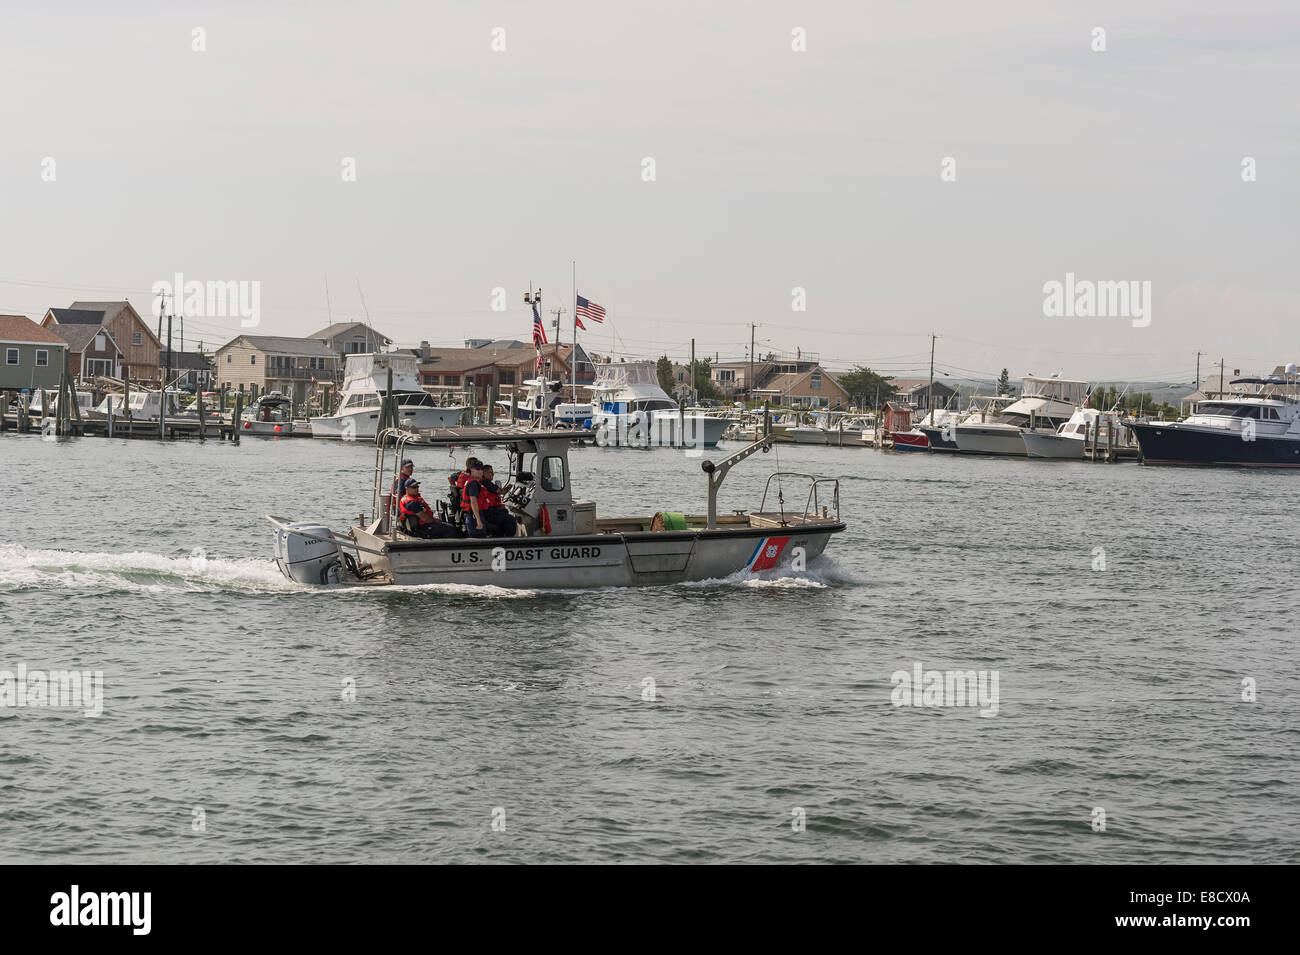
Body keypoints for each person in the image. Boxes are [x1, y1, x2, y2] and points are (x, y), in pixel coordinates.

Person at [475, 464, 517, 538]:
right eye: (491, 472)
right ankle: (509, 541)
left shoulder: (483, 482)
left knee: (504, 513)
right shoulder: (486, 483)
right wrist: (511, 485)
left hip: (487, 511)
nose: (493, 474)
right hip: (488, 513)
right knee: (511, 520)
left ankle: (500, 537)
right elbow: (502, 492)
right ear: (484, 473)